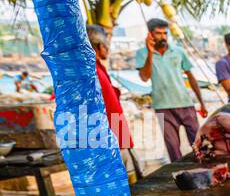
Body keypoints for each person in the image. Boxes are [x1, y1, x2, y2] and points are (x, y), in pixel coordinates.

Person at [136, 17, 206, 162]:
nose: (163, 37)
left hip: (185, 103)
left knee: (199, 143)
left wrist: (201, 102)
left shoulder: (178, 51)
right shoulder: (142, 53)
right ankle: (180, 176)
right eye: (158, 33)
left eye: (165, 33)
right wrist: (150, 53)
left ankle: (205, 168)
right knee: (173, 148)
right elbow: (144, 77)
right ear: (150, 34)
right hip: (162, 107)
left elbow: (191, 77)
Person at [87, 24, 132, 152]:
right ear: (100, 46)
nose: (108, 49)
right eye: (107, 45)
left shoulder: (97, 68)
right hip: (111, 141)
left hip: (117, 137)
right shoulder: (93, 71)